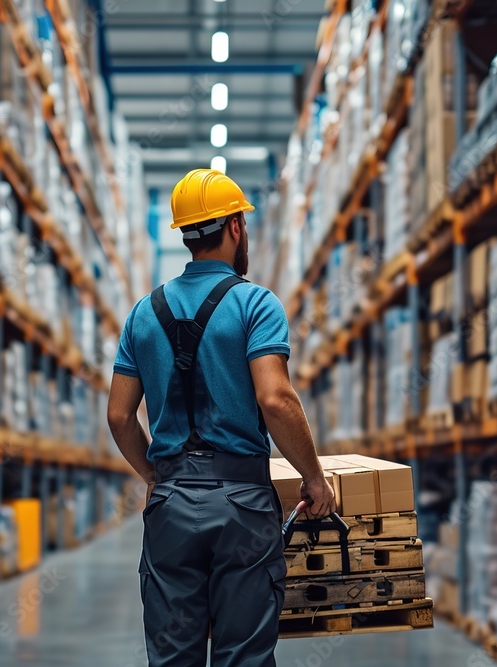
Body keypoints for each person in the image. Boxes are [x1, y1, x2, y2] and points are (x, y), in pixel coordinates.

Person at [107, 168, 336, 667]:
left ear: (185, 234)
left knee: (173, 657)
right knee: (243, 657)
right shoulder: (256, 304)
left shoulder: (143, 314)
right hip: (242, 508)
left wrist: (154, 475)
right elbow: (276, 399)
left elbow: (120, 416)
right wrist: (314, 477)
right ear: (235, 226)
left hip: (170, 506)